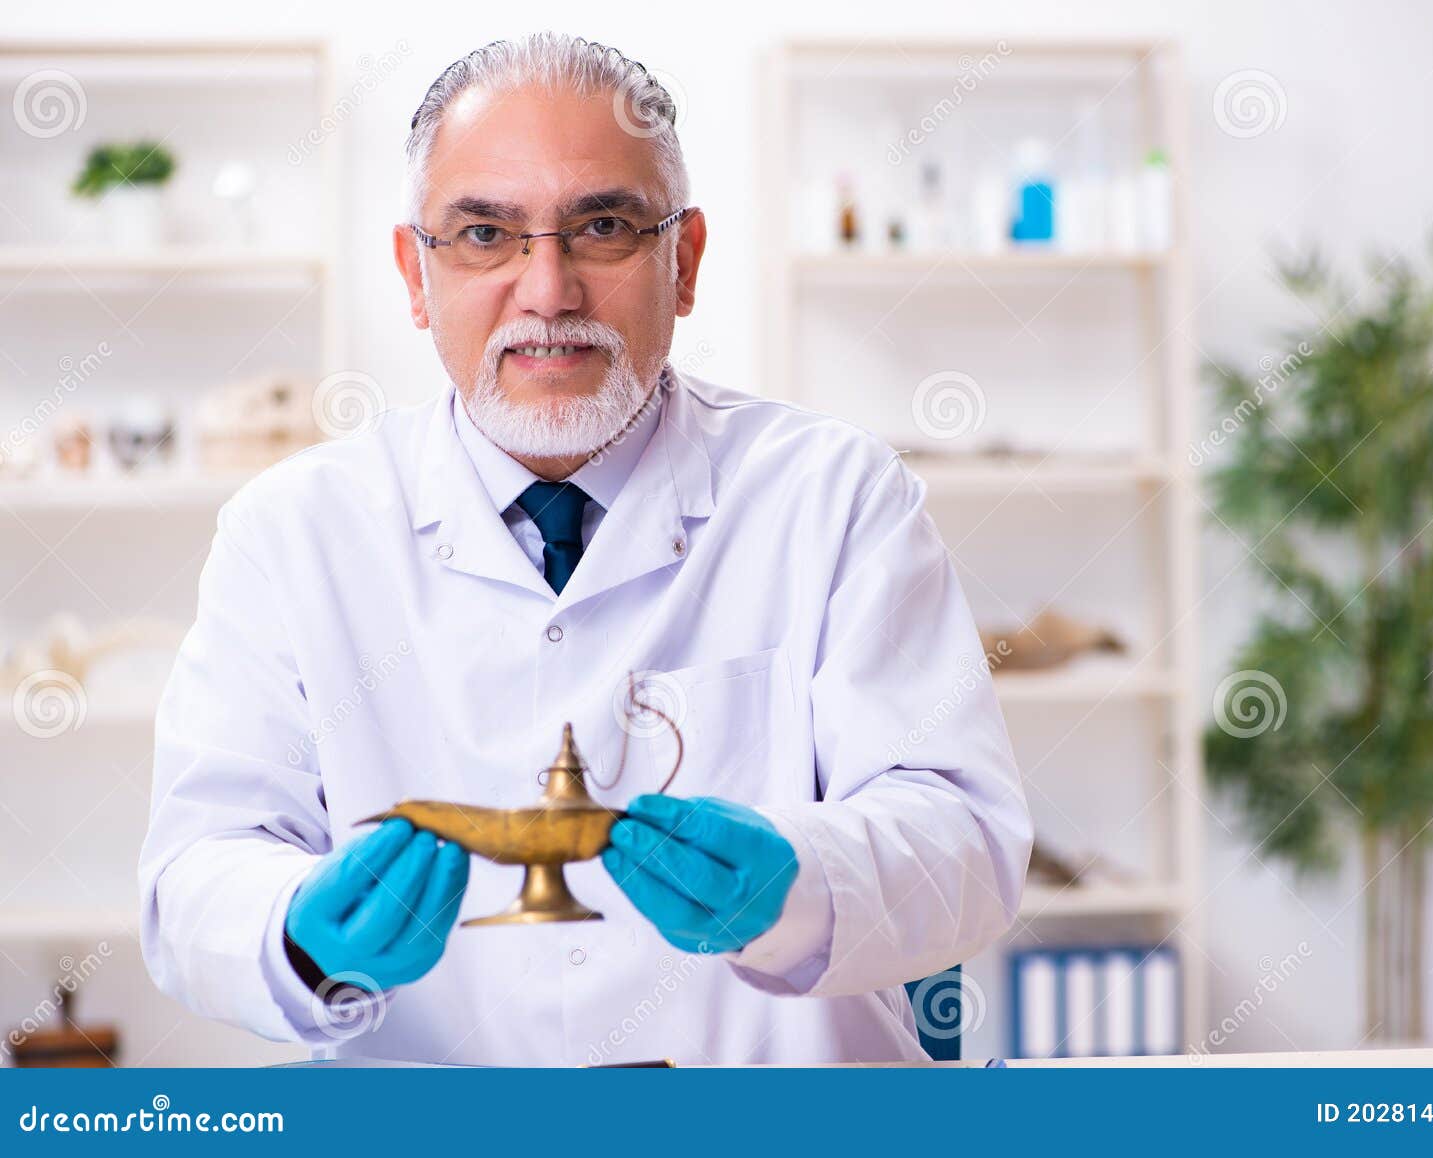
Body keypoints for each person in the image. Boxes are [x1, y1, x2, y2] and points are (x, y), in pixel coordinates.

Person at [138, 32, 1032, 1065]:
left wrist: (799, 877)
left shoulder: (832, 496)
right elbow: (195, 869)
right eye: (484, 234)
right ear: (415, 275)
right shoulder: (291, 533)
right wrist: (297, 930)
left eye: (601, 226)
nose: (547, 291)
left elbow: (964, 841)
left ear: (683, 260)